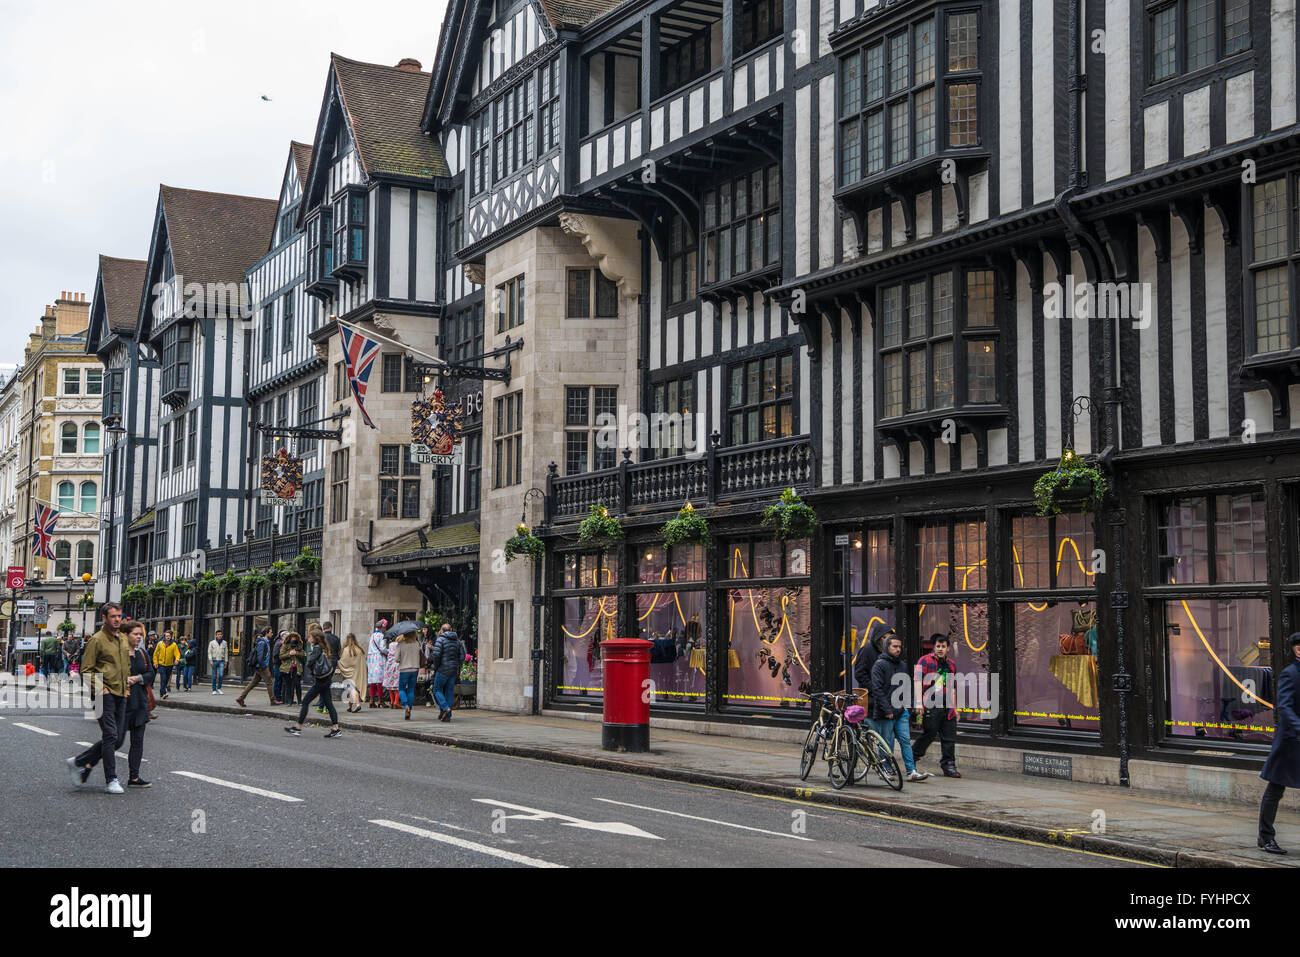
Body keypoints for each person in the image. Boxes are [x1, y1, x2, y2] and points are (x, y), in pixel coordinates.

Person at [66, 603, 131, 794]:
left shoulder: (123, 639)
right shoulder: (97, 640)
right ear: (104, 618)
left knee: (118, 739)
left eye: (119, 616)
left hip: (121, 693)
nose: (117, 619)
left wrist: (126, 686)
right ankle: (111, 780)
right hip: (103, 694)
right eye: (113, 616)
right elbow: (86, 670)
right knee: (110, 735)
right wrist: (101, 688)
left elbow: (125, 665)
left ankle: (78, 762)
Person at [869, 633, 930, 783]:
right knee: (886, 742)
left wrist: (907, 707)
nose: (898, 649)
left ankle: (911, 771)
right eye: (894, 646)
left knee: (905, 740)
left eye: (899, 647)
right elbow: (877, 690)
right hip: (886, 712)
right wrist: (887, 710)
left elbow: (906, 686)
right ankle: (885, 770)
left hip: (901, 711)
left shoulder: (902, 665)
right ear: (887, 647)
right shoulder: (879, 665)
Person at [1259, 632, 1300, 854]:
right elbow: (1284, 707)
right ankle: (1266, 838)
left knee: (1276, 789)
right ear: (1296, 650)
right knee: (1275, 790)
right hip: (1289, 744)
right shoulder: (1289, 674)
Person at [913, 634, 961, 778]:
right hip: (930, 703)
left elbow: (952, 687)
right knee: (929, 733)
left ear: (948, 648)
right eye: (938, 646)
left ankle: (949, 765)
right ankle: (912, 757)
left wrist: (955, 708)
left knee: (949, 736)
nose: (940, 649)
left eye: (943, 646)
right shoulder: (925, 661)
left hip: (947, 705)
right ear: (934, 647)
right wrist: (918, 703)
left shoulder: (951, 665)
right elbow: (917, 681)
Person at [285, 630, 341, 738]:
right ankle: (336, 728)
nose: (308, 638)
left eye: (310, 636)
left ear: (315, 638)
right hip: (325, 679)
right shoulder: (322, 647)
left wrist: (309, 665)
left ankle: (298, 727)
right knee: (329, 704)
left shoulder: (317, 648)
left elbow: (310, 661)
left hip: (320, 681)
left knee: (305, 701)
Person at [120, 620, 154, 787]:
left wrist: (138, 678)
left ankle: (134, 777)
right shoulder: (117, 654)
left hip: (140, 702)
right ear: (126, 635)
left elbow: (150, 674)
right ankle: (94, 767)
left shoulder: (142, 654)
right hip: (121, 703)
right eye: (136, 634)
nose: (139, 637)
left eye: (141, 634)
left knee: (138, 741)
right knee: (115, 740)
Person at [235, 627, 281, 707]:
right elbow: (260, 656)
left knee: (253, 683)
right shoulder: (262, 643)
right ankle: (273, 700)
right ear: (266, 633)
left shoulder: (265, 642)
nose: (272, 634)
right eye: (271, 632)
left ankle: (241, 698)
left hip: (260, 666)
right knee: (269, 682)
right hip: (262, 666)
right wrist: (263, 666)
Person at [430, 626, 465, 722]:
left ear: (441, 630)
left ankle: (445, 708)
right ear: (451, 630)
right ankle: (447, 716)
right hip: (453, 670)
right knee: (449, 692)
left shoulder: (440, 639)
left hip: (442, 669)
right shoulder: (457, 641)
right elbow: (463, 656)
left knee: (437, 689)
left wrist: (437, 667)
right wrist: (457, 665)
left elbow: (436, 655)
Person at [393, 630, 422, 720]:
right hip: (415, 669)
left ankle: (406, 705)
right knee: (410, 690)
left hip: (404, 669)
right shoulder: (417, 643)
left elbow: (396, 659)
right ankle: (409, 707)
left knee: (401, 689)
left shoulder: (401, 644)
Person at [337, 633, 367, 714]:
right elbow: (364, 661)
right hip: (358, 673)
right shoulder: (360, 650)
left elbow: (342, 662)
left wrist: (338, 663)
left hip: (348, 673)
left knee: (351, 689)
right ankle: (350, 707)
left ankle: (357, 704)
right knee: (351, 689)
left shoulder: (345, 650)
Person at [853, 624, 888, 690]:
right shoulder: (867, 649)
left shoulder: (889, 650)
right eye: (884, 637)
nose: (887, 640)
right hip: (871, 695)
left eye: (889, 638)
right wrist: (873, 687)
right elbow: (860, 673)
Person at [279, 631, 305, 706]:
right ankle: (289, 701)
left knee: (297, 684)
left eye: (295, 638)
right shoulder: (285, 645)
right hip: (287, 668)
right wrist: (289, 654)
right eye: (292, 638)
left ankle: (300, 701)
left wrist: (296, 653)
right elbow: (281, 656)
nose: (293, 639)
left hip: (297, 668)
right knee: (288, 685)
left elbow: (303, 655)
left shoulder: (299, 645)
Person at [367, 621, 389, 707]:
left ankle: (371, 700)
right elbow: (383, 649)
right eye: (385, 627)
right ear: (382, 628)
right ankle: (380, 700)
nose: (385, 629)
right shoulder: (382, 636)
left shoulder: (372, 635)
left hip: (371, 659)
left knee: (373, 680)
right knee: (380, 680)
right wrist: (389, 652)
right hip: (379, 658)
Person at [153, 633, 179, 700]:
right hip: (161, 664)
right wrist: (155, 662)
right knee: (163, 678)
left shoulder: (174, 645)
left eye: (169, 636)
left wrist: (177, 659)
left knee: (166, 679)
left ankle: (161, 692)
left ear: (171, 637)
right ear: (164, 636)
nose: (168, 637)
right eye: (167, 636)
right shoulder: (160, 644)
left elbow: (177, 653)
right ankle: (164, 692)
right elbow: (155, 653)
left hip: (169, 664)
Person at [208, 629, 228, 694]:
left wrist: (226, 662)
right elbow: (209, 652)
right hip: (214, 660)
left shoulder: (225, 643)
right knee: (214, 676)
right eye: (218, 634)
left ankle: (219, 688)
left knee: (221, 675)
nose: (220, 635)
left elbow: (226, 653)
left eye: (221, 634)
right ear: (216, 635)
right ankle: (214, 689)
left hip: (221, 661)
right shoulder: (212, 642)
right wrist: (210, 660)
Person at [272, 630, 286, 704]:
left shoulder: (280, 643)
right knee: (278, 681)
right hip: (278, 665)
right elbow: (276, 655)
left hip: (279, 664)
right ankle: (276, 697)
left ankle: (279, 697)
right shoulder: (279, 643)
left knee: (279, 681)